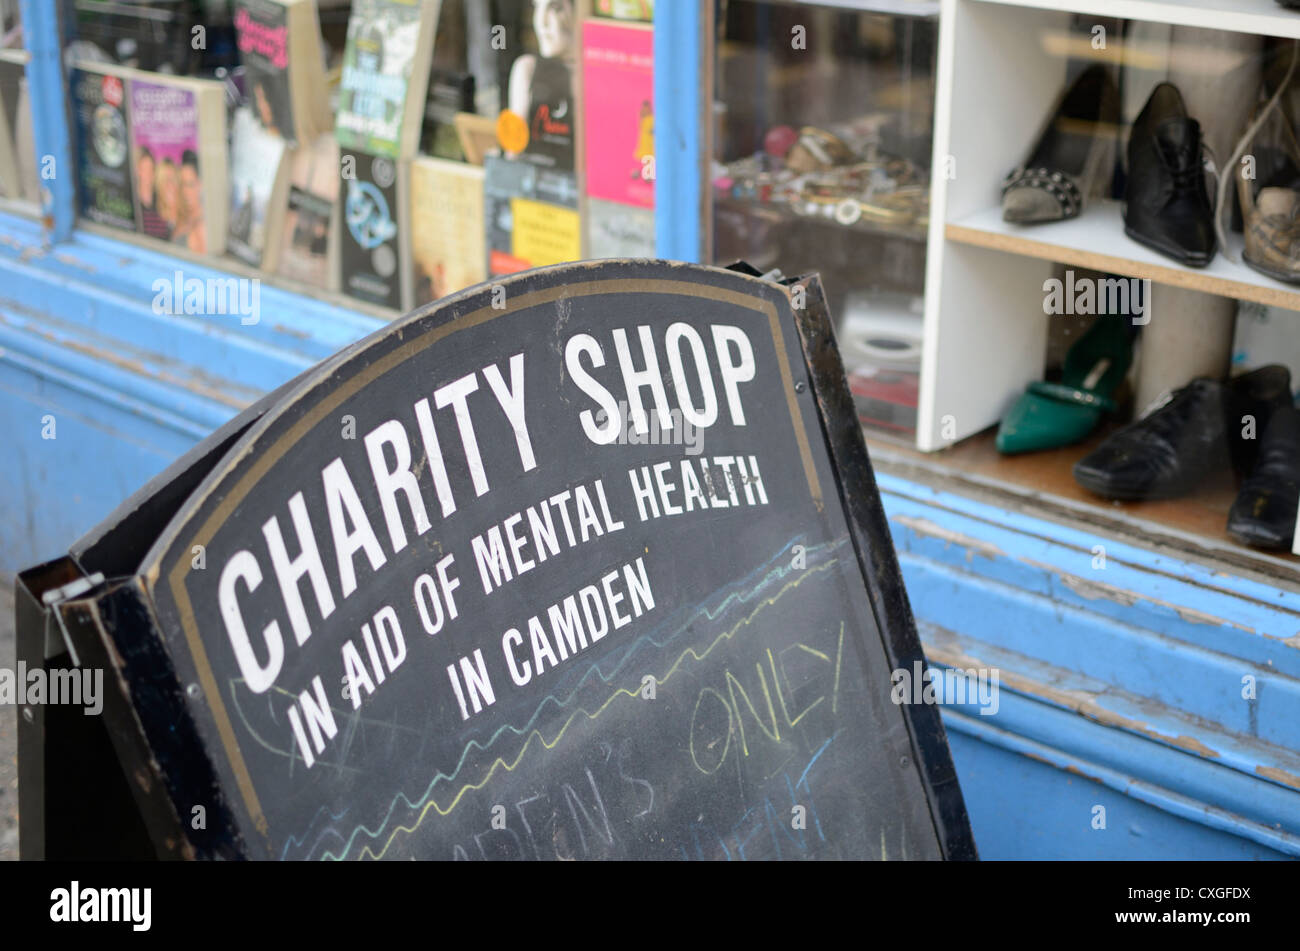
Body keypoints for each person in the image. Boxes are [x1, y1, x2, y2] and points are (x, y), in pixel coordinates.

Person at [506, 0, 574, 168]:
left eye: (555, 8)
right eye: (537, 7)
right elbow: (512, 151)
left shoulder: (597, 76)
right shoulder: (527, 70)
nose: (541, 22)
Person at [174, 150, 206, 254]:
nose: (185, 191)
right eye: (182, 184)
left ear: (200, 185)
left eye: (190, 184)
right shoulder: (182, 215)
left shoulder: (201, 227)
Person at [135, 146, 170, 239]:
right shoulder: (133, 204)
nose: (148, 174)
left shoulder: (161, 203)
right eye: (144, 169)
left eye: (150, 169)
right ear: (138, 171)